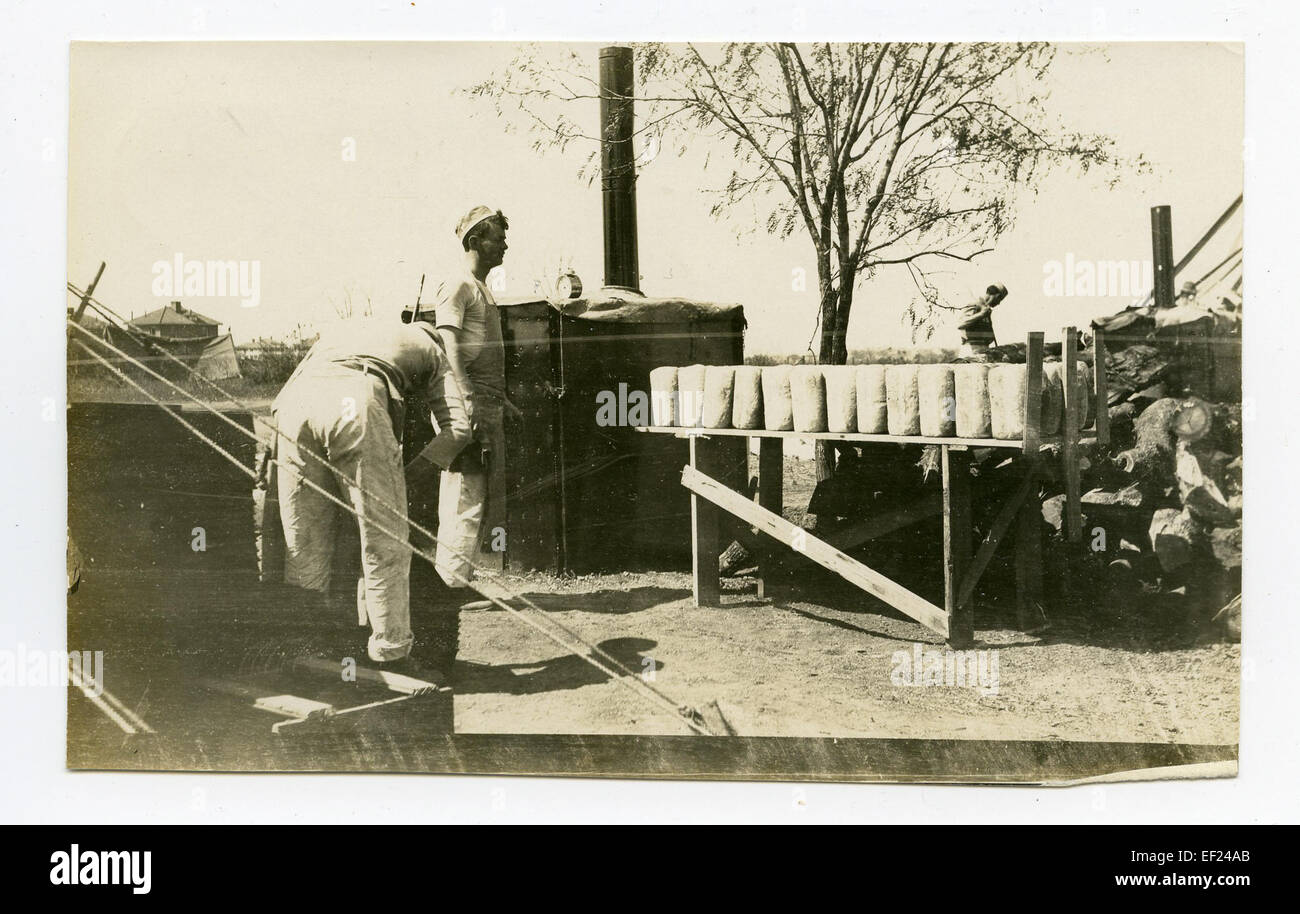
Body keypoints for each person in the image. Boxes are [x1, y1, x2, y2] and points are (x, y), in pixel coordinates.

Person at [270, 317, 472, 677]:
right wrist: (406, 477)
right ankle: (393, 655)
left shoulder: (349, 331)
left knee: (304, 542)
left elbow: (280, 399)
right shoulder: (432, 348)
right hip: (354, 401)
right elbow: (458, 429)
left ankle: (308, 649)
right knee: (385, 540)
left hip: (294, 405)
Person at [415, 206, 520, 591]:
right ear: (475, 241)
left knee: (482, 496)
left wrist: (501, 400)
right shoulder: (457, 285)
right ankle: (450, 585)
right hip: (468, 406)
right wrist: (466, 401)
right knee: (465, 495)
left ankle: (464, 580)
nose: (505, 245)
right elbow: (452, 347)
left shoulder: (481, 289)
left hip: (486, 403)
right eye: (499, 238)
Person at [957, 283, 1008, 358]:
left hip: (983, 351)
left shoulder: (986, 308)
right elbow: (961, 324)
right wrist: (981, 314)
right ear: (996, 296)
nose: (998, 303)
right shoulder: (975, 304)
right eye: (999, 300)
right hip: (971, 350)